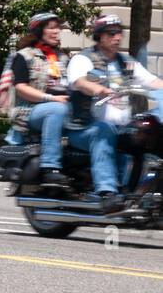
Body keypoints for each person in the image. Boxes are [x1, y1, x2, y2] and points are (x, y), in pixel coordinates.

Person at [65, 13, 163, 210]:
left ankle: (141, 192)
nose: (117, 37)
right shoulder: (84, 59)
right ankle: (107, 191)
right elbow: (78, 81)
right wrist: (98, 89)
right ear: (100, 36)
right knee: (104, 129)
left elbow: (150, 80)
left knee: (148, 133)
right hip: (84, 128)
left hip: (120, 128)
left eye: (119, 33)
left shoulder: (125, 62)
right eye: (111, 33)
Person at [8, 12, 74, 188]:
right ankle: (50, 167)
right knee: (56, 109)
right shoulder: (24, 56)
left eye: (58, 27)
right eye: (51, 28)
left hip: (64, 108)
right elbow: (21, 88)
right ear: (38, 31)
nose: (56, 31)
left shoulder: (63, 57)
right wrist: (51, 98)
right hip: (30, 111)